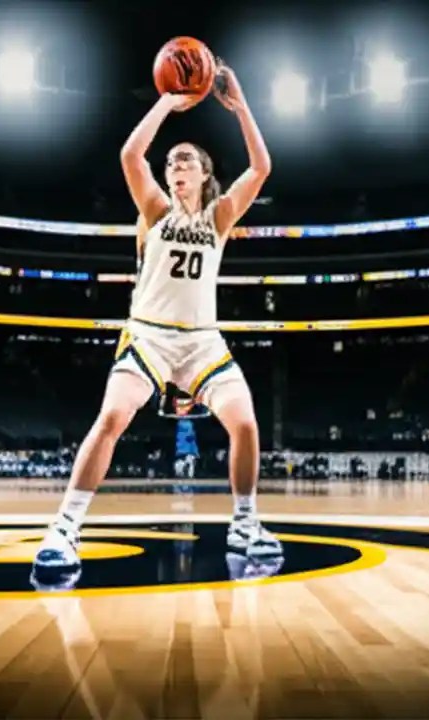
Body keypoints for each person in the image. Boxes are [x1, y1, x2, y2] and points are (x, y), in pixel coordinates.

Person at [33, 64, 277, 582]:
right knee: (112, 418)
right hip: (149, 335)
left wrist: (240, 106)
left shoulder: (219, 218)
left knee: (245, 423)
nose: (175, 165)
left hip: (203, 342)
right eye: (170, 161)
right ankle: (64, 528)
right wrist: (168, 100)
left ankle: (245, 522)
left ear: (205, 174)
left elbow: (261, 167)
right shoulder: (155, 211)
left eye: (186, 159)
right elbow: (130, 155)